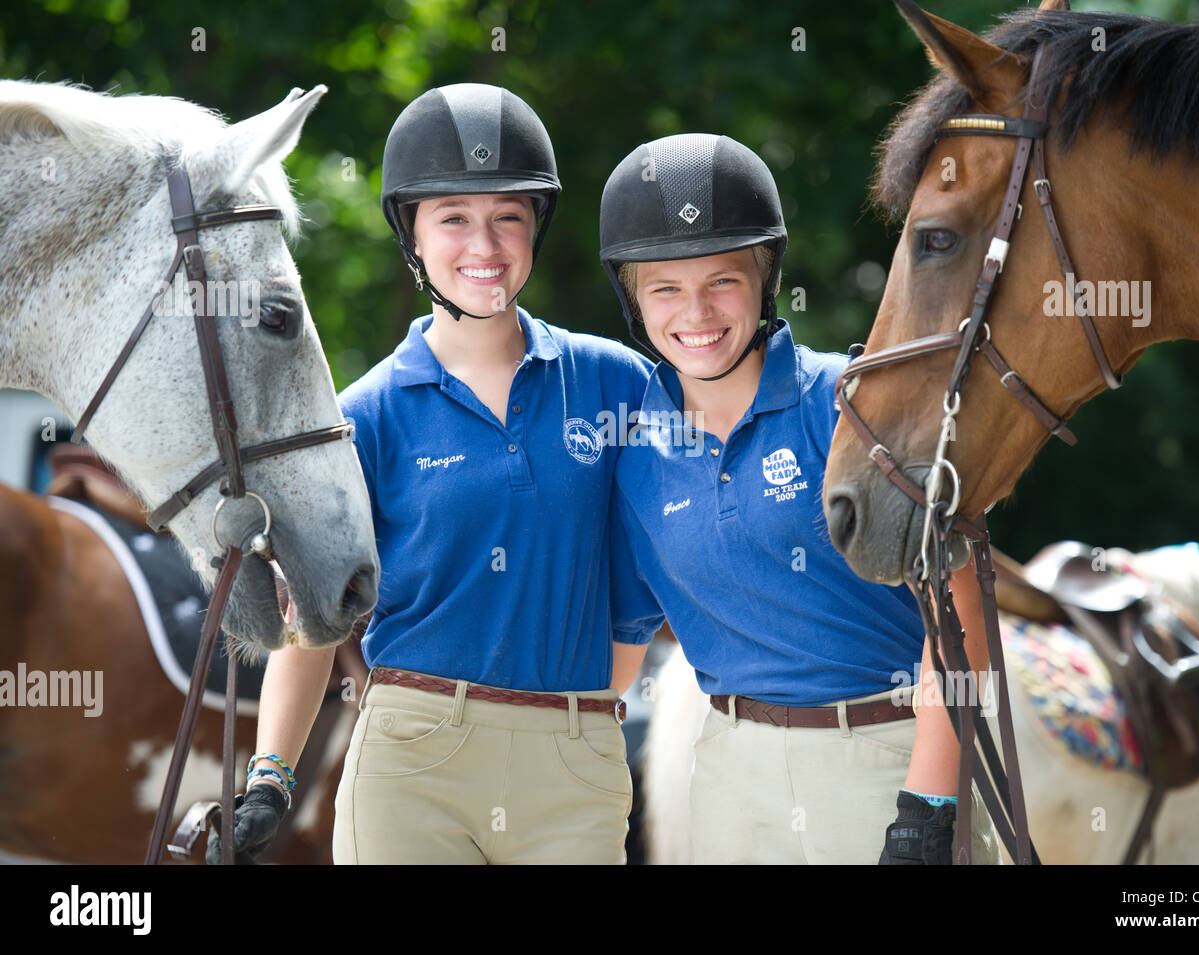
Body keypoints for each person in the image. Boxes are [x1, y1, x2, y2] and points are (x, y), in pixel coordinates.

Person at [208, 83, 657, 865]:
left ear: (535, 229)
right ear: (411, 234)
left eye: (507, 217)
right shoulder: (364, 416)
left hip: (575, 756)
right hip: (414, 755)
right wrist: (270, 776)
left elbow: (667, 548)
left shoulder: (619, 384)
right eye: (453, 218)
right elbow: (316, 616)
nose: (483, 244)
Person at [600, 133, 1000, 864]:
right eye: (665, 288)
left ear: (764, 278)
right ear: (633, 297)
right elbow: (620, 650)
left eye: (722, 280)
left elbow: (962, 618)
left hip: (884, 758)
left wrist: (930, 808)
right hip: (725, 774)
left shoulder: (848, 406)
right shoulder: (632, 456)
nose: (696, 311)